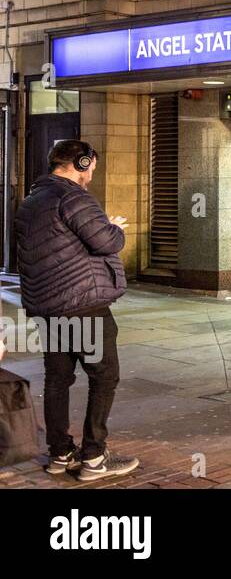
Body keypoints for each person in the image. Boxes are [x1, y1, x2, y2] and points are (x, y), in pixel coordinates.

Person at [14, 140, 139, 481]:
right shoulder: (73, 197)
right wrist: (114, 227)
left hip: (47, 307)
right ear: (81, 163)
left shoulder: (31, 200)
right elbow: (106, 242)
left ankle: (59, 453)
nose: (91, 177)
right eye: (91, 169)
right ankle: (94, 458)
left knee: (57, 380)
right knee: (104, 377)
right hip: (83, 306)